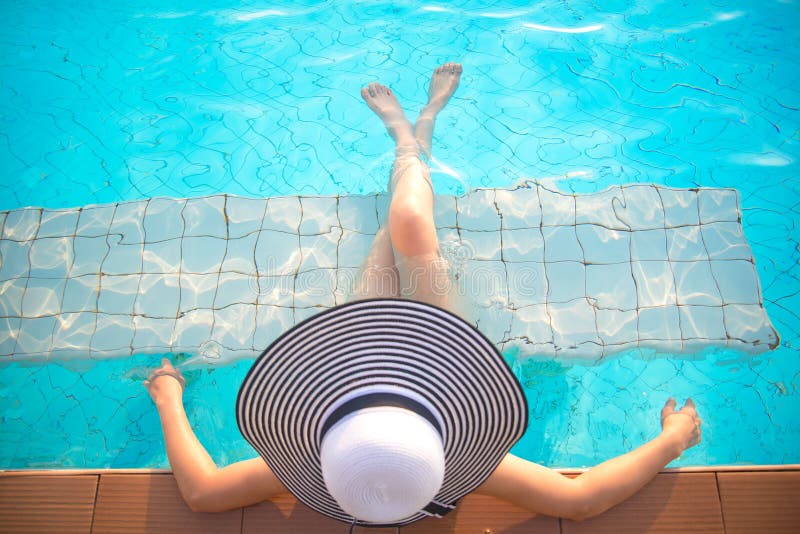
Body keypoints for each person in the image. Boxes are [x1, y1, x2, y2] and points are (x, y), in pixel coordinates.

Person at [144, 63, 702, 525]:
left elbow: (202, 492)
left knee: (395, 227)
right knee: (410, 219)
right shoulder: (463, 462)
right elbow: (580, 501)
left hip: (355, 354)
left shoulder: (318, 462)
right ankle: (417, 136)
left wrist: (171, 401)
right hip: (443, 360)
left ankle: (410, 144)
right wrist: (670, 443)